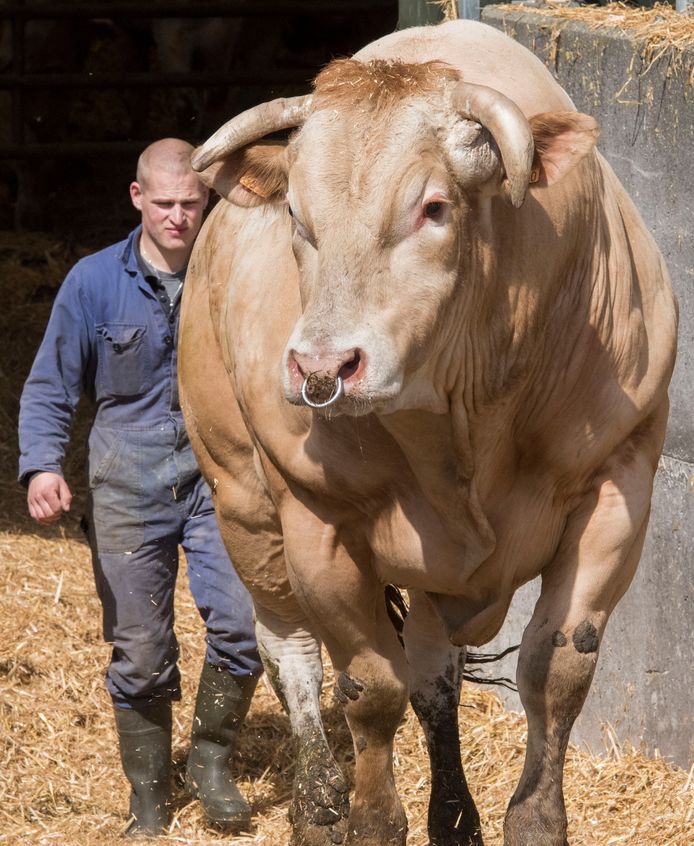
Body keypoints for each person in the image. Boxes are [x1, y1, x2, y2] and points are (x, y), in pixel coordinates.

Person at [18, 138, 263, 837]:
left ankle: (212, 765)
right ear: (137, 199)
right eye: (164, 204)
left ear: (207, 199)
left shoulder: (236, 276)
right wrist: (41, 465)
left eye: (191, 204)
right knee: (143, 650)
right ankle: (150, 797)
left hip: (218, 480)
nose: (179, 217)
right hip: (126, 484)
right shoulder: (93, 282)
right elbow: (50, 386)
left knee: (241, 629)